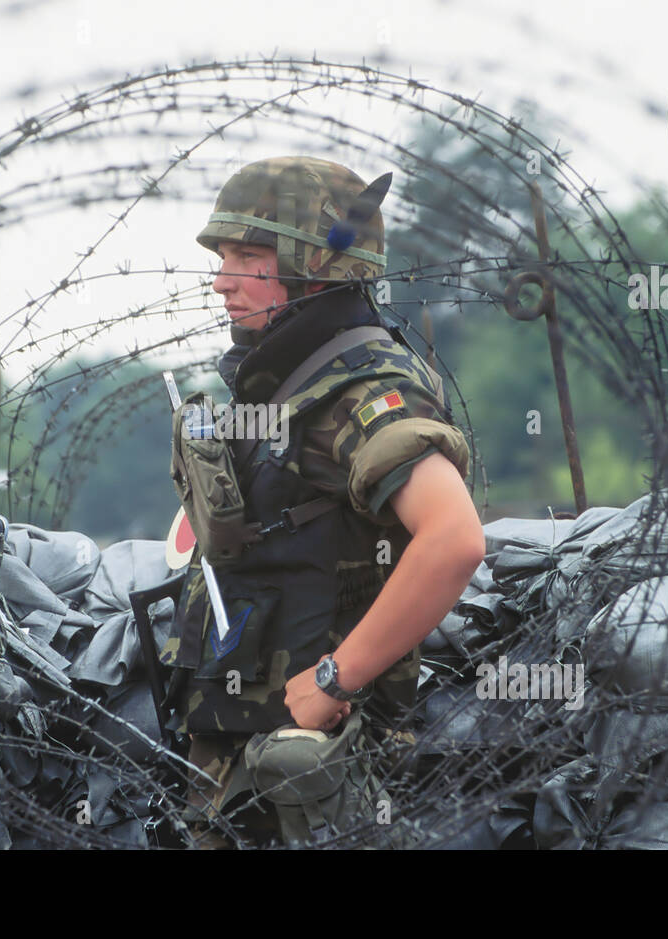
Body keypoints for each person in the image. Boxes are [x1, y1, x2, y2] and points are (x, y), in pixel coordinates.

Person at [161, 156, 485, 848]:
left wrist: (337, 678)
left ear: (317, 271)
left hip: (317, 779)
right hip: (248, 768)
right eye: (222, 256)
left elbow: (454, 538)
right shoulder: (291, 389)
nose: (221, 281)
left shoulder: (361, 391)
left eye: (247, 257)